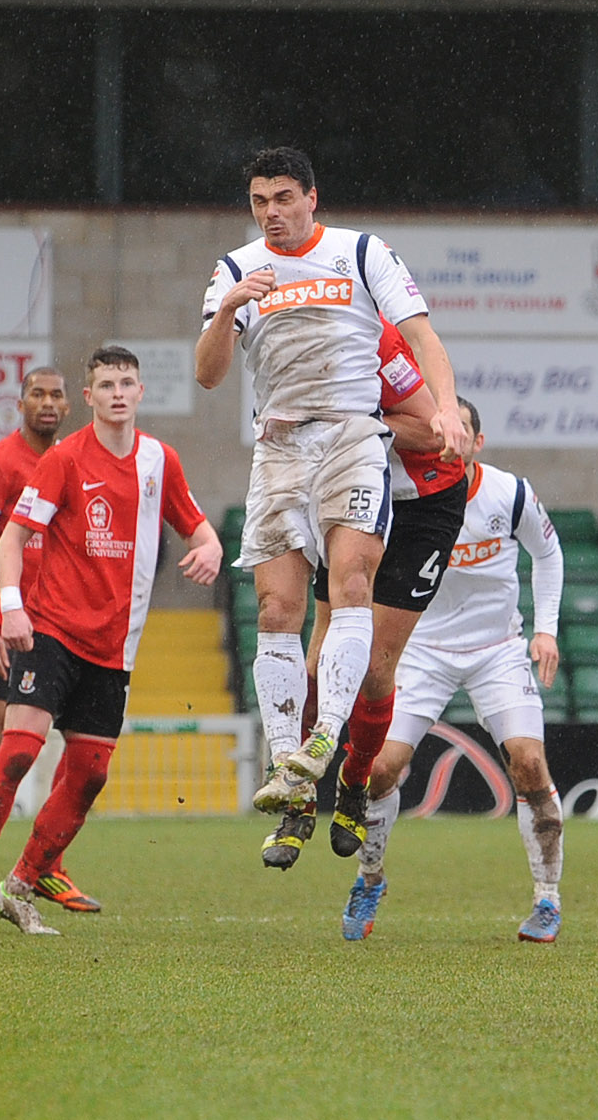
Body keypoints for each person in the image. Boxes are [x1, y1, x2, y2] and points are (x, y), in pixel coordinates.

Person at [195, 147, 462, 823]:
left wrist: (449, 405)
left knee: (349, 589)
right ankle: (287, 762)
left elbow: (423, 337)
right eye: (259, 202)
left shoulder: (361, 252)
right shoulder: (236, 269)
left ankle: (322, 742)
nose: (272, 214)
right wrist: (226, 309)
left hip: (351, 433)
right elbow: (206, 375)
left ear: (312, 198)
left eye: (283, 198)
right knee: (277, 612)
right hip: (279, 445)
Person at [0, 346, 222, 936]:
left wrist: (210, 547)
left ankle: (20, 886)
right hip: (52, 630)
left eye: (127, 383)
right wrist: (11, 609)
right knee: (18, 750)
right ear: (88, 398)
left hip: (115, 645)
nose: (118, 392)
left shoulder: (159, 461)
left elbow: (196, 525)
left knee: (90, 772)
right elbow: (13, 539)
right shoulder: (65, 459)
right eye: (106, 384)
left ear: (141, 393)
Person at [340, 399, 566, 943]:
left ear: (476, 442)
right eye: (441, 430)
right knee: (380, 770)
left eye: (460, 431)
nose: (449, 440)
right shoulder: (399, 493)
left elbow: (549, 554)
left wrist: (546, 628)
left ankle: (547, 899)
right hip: (420, 649)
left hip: (497, 648)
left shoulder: (509, 493)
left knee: (530, 763)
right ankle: (370, 878)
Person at [262, 319, 466, 869]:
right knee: (321, 650)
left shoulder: (376, 340)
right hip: (345, 492)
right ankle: (298, 796)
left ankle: (353, 782)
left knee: (375, 668)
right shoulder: (287, 343)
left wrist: (351, 425)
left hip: (422, 501)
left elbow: (429, 432)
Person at [0, 365, 102, 914]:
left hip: (51, 628)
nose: (46, 402)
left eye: (56, 395)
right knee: (3, 750)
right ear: (20, 403)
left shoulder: (70, 463)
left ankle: (45, 869)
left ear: (68, 407)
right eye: (36, 393)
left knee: (76, 749)